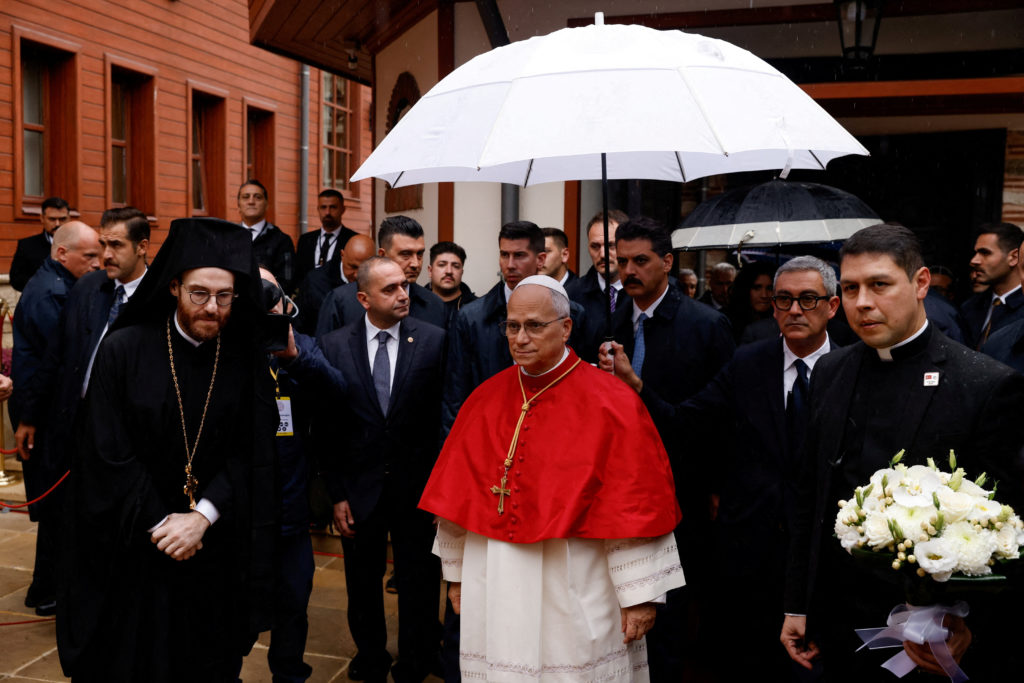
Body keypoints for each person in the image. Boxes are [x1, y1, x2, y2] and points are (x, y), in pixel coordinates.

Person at [781, 223, 1024, 682]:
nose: (862, 302)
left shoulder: (983, 384)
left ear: (920, 284)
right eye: (850, 288)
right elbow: (808, 494)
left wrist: (965, 623)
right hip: (835, 620)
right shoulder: (831, 370)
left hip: (930, 633)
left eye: (879, 285)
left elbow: (1007, 530)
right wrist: (797, 603)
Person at [420, 275, 684, 682]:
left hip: (578, 578)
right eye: (512, 326)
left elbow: (635, 503)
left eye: (534, 325)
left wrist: (639, 597)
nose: (520, 338)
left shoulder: (611, 402)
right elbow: (457, 497)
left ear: (565, 328)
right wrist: (455, 576)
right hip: (496, 576)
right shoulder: (484, 398)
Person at [57, 217, 278, 681]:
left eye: (225, 296)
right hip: (135, 544)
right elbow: (104, 450)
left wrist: (202, 517)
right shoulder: (124, 350)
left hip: (212, 548)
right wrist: (163, 523)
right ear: (174, 286)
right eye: (200, 293)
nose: (212, 308)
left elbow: (253, 450)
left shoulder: (243, 359)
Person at [670, 256, 840, 681]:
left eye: (807, 299)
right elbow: (692, 422)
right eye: (783, 299)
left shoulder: (854, 367)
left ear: (832, 306)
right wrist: (634, 389)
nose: (794, 310)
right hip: (748, 552)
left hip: (824, 555)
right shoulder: (749, 361)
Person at [597, 217, 734, 681]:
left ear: (668, 263)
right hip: (619, 488)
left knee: (675, 611)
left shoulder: (706, 325)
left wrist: (638, 387)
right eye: (622, 261)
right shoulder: (609, 321)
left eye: (641, 261)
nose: (629, 271)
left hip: (683, 487)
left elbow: (715, 418)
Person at [14, 209, 147, 616]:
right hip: (72, 426)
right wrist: (30, 416)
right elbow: (56, 356)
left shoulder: (159, 295)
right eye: (102, 245)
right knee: (69, 519)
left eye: (116, 246)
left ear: (142, 248)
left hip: (126, 437)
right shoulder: (87, 288)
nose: (105, 255)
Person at [319, 257, 446, 683]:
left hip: (418, 487)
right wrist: (336, 493)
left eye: (404, 286)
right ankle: (370, 654)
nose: (403, 294)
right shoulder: (334, 345)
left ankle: (416, 658)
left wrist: (442, 492)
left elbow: (441, 420)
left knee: (419, 580)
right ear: (363, 298)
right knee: (361, 580)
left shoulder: (433, 340)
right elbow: (328, 425)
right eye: (390, 289)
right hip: (359, 488)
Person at [240, 267, 346, 682]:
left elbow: (338, 394)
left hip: (290, 507)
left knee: (293, 604)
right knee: (237, 611)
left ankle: (289, 674)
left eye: (271, 295)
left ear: (286, 301)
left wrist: (295, 360)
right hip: (243, 512)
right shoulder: (228, 348)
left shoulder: (300, 344)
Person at [9, 220, 100, 616]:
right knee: (58, 507)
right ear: (62, 254)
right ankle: (46, 591)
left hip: (44, 409)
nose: (98, 263)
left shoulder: (61, 284)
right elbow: (59, 360)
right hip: (45, 413)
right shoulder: (52, 293)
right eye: (90, 255)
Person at [442, 221, 586, 436]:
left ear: (541, 259)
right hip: (488, 432)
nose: (509, 265)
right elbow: (455, 395)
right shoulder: (471, 318)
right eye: (504, 255)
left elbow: (579, 383)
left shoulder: (570, 314)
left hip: (555, 430)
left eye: (519, 255)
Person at [316, 216, 445, 335]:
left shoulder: (435, 306)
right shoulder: (341, 302)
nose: (415, 264)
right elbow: (324, 354)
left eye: (420, 254)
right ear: (383, 255)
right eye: (406, 254)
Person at [565, 209, 630, 362]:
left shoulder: (642, 293)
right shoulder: (572, 294)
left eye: (611, 245)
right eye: (595, 246)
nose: (602, 254)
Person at [294, 233, 375, 335]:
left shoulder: (377, 282)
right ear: (342, 255)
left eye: (363, 268)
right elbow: (300, 326)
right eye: (352, 267)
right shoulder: (315, 282)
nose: (356, 275)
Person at [960, 222, 1024, 348]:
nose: (974, 260)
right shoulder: (970, 307)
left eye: (985, 253)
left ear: (1013, 257)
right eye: (976, 253)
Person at [238, 179, 296, 293]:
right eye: (245, 197)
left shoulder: (281, 240)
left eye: (257, 197)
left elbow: (287, 281)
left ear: (266, 205)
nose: (251, 201)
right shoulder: (229, 238)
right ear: (238, 205)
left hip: (268, 305)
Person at [295, 189, 358, 288]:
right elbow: (298, 274)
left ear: (343, 209)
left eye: (333, 207)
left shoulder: (353, 240)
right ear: (318, 209)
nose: (327, 212)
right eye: (323, 207)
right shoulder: (305, 240)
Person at [10, 196, 70, 291]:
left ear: (69, 219)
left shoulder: (80, 245)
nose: (57, 224)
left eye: (62, 219)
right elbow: (16, 280)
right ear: (42, 218)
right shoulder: (26, 246)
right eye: (52, 219)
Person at [426, 241, 476, 330]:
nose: (449, 271)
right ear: (430, 271)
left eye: (456, 266)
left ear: (462, 272)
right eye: (442, 265)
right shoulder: (414, 305)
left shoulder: (476, 308)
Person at [725, 261, 776, 343]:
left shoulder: (780, 323)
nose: (764, 295)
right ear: (745, 290)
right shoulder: (726, 322)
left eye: (769, 288)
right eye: (757, 288)